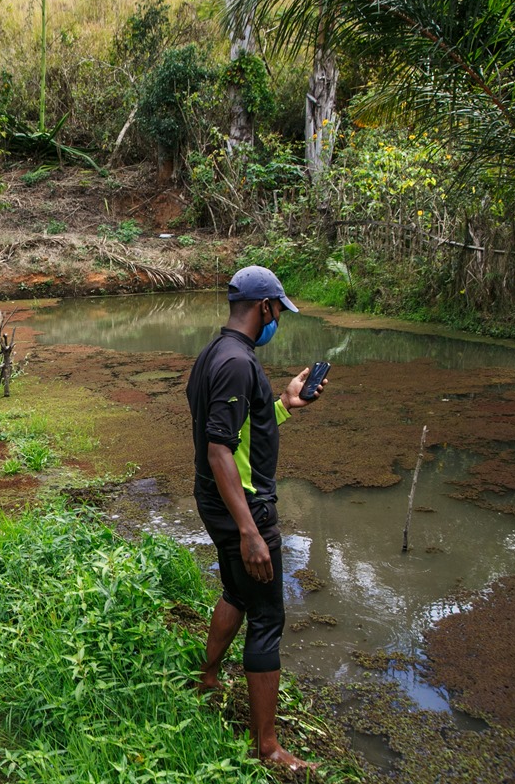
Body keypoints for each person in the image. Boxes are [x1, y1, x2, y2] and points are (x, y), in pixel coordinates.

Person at [185, 265, 326, 773]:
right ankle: (267, 747)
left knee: (237, 593)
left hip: (217, 501)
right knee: (268, 618)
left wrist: (284, 403)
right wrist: (250, 531)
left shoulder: (214, 355)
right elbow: (221, 448)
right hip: (242, 507)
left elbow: (238, 430)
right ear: (265, 308)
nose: (278, 322)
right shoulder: (238, 364)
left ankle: (207, 676)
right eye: (278, 312)